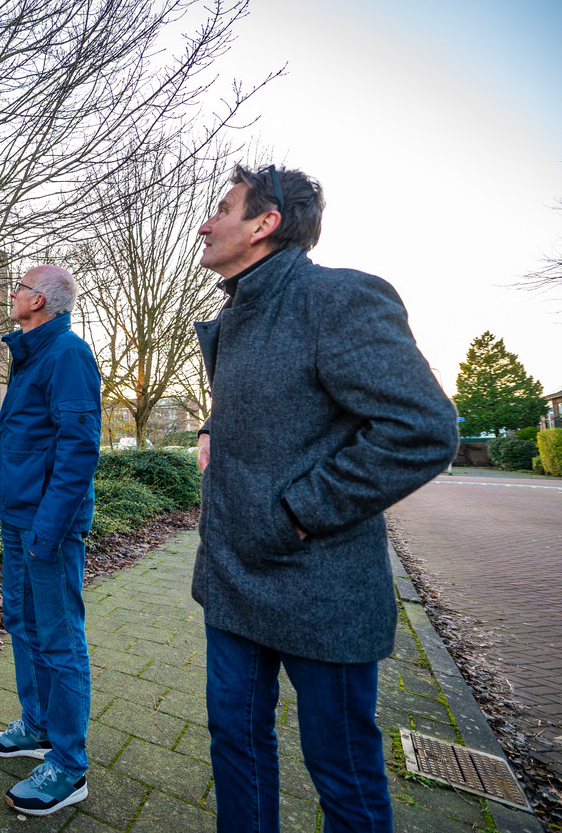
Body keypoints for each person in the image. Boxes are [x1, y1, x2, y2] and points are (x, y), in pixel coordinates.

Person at [192, 165, 459, 832]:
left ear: (265, 223)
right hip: (231, 582)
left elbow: (422, 430)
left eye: (222, 208)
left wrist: (298, 514)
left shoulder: (335, 299)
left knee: (341, 774)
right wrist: (210, 425)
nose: (205, 222)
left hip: (319, 591)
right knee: (236, 748)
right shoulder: (237, 311)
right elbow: (282, 407)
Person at [0, 264, 102, 816]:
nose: (12, 293)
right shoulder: (29, 354)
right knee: (21, 622)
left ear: (43, 301)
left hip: (46, 526)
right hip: (17, 517)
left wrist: (48, 531)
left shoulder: (67, 354)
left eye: (21, 287)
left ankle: (70, 766)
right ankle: (37, 727)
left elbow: (79, 450)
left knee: (59, 639)